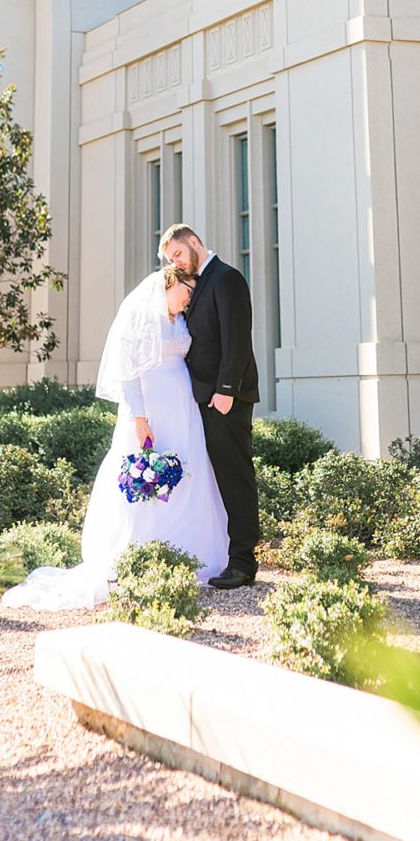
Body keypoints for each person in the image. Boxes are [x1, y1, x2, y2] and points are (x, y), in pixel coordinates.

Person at [0, 263, 228, 612]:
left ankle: (186, 551)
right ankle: (141, 549)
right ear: (170, 282)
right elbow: (128, 373)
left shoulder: (180, 321)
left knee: (188, 476)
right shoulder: (139, 316)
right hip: (150, 411)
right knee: (146, 479)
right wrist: (139, 418)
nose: (190, 299)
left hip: (182, 411)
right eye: (188, 291)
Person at [159, 223, 261, 589]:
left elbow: (237, 340)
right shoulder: (198, 283)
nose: (177, 262)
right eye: (172, 259)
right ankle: (226, 554)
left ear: (196, 243)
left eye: (178, 254)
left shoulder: (227, 278)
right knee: (216, 479)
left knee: (235, 477)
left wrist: (226, 391)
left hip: (226, 399)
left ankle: (244, 563)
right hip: (203, 399)